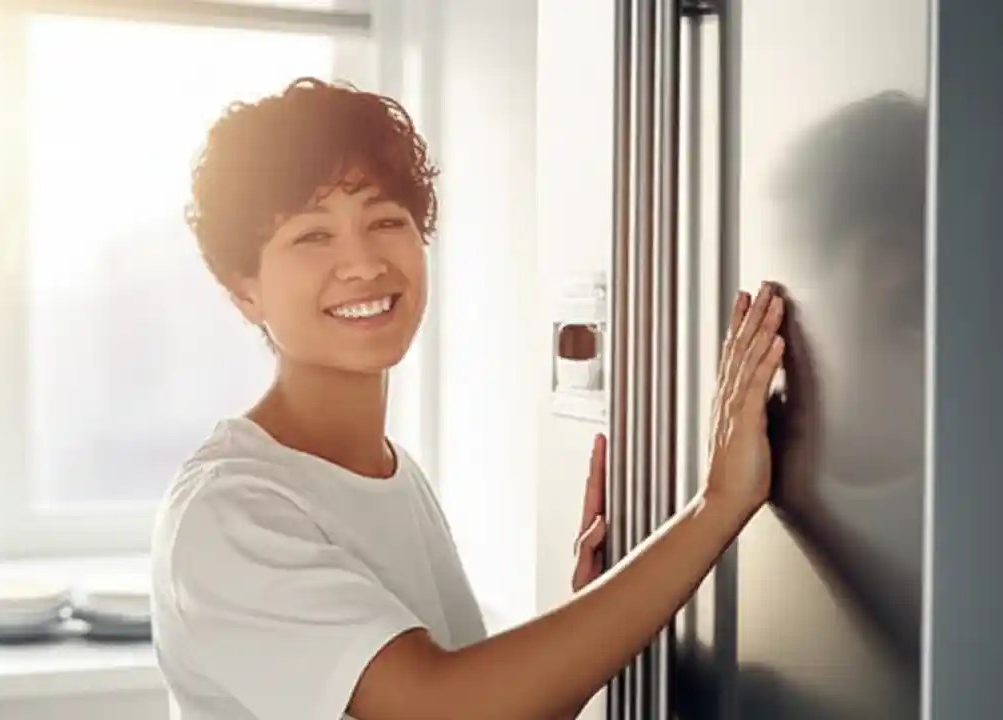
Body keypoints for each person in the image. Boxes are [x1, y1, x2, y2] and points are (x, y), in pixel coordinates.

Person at [150, 77, 785, 720]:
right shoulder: (228, 510)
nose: (364, 262)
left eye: (385, 220)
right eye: (313, 236)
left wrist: (595, 610)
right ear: (243, 290)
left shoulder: (392, 475)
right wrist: (718, 504)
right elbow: (443, 710)